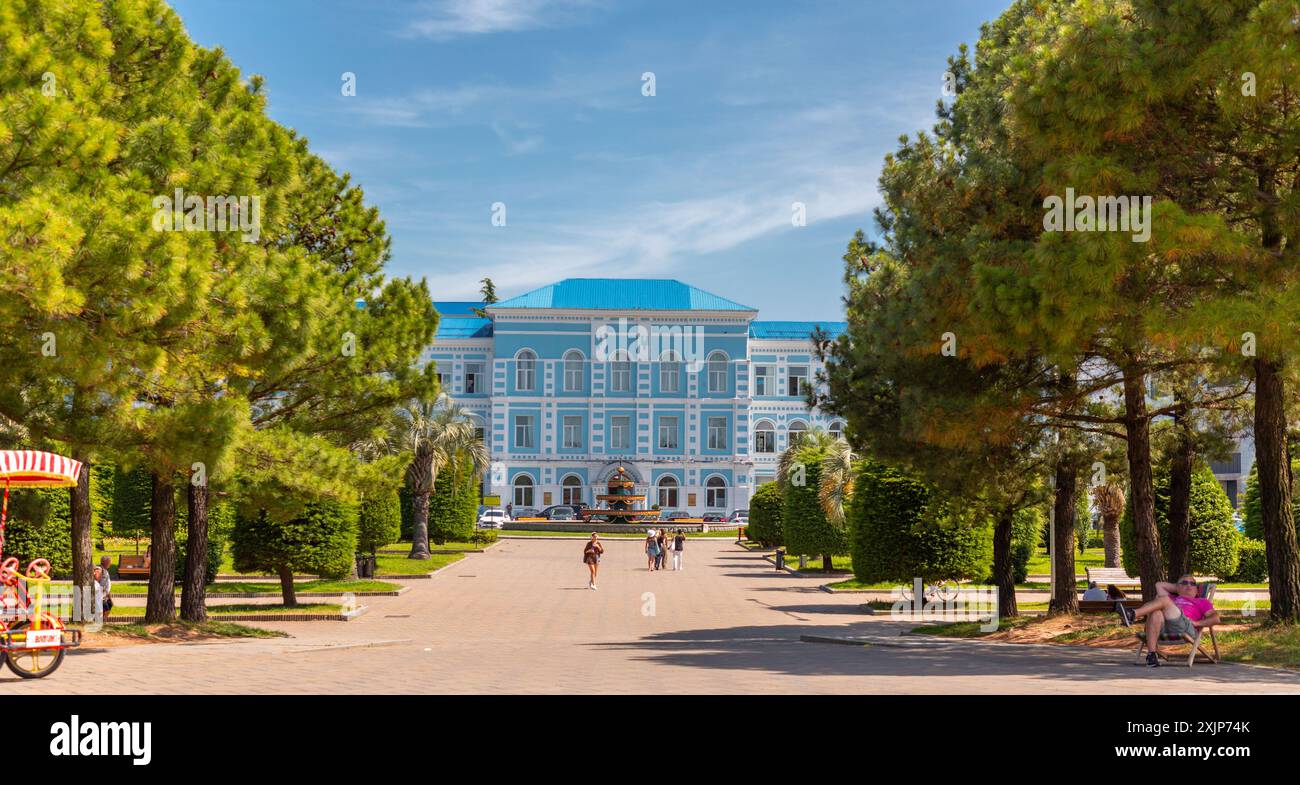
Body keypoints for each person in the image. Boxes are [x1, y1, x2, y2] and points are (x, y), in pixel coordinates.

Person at [1117, 575, 1219, 667]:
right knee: (1156, 612)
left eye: (1192, 584)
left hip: (1185, 627)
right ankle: (1152, 656)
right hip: (1162, 628)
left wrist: (1197, 623)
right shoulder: (1172, 598)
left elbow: (1216, 618)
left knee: (1163, 599)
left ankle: (1132, 615)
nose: (1189, 585)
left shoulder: (1202, 601)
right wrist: (1179, 588)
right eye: (1184, 583)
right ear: (1177, 587)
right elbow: (1159, 585)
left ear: (1197, 590)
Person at [98, 555, 113, 619]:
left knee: (109, 605)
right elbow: (97, 582)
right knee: (105, 609)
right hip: (100, 595)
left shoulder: (105, 571)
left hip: (105, 594)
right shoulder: (99, 569)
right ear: (105, 562)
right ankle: (101, 622)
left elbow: (107, 584)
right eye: (110, 561)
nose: (111, 563)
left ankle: (103, 621)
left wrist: (109, 596)